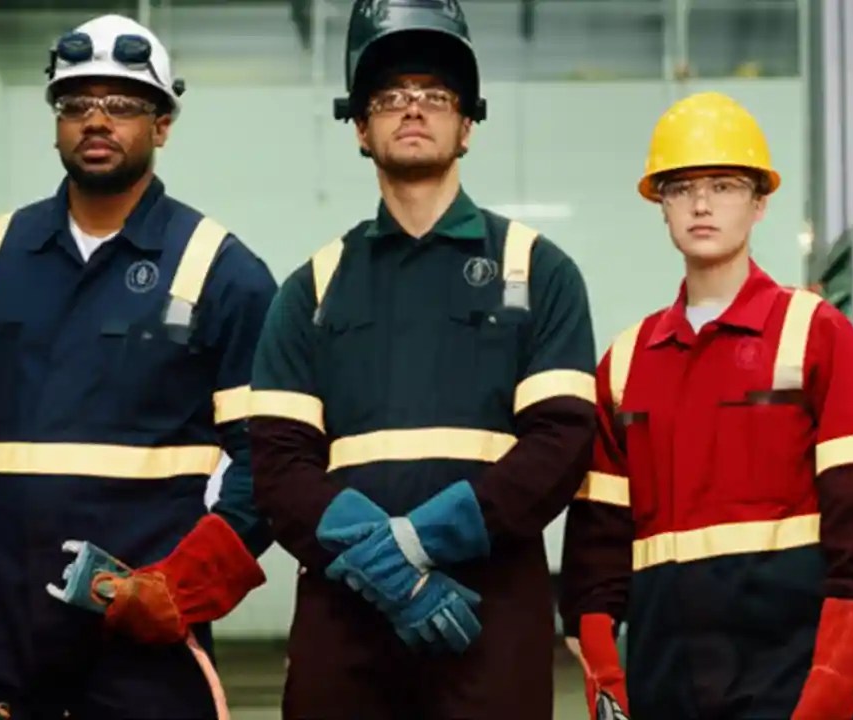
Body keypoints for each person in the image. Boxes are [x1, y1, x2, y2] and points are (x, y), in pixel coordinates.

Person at [0, 13, 275, 718]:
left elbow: (268, 461)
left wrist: (179, 589)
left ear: (162, 126)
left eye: (122, 105)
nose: (96, 121)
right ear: (57, 122)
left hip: (140, 629)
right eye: (76, 105)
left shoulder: (222, 272)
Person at [247, 0, 598, 717]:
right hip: (343, 628)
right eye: (391, 97)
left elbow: (560, 444)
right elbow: (280, 467)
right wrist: (387, 569)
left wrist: (417, 539)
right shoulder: (311, 287)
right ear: (360, 128)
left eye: (435, 96)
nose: (413, 110)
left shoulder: (537, 271)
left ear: (468, 125)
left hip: (488, 620)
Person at [558, 90, 853, 720]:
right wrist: (608, 683)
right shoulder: (627, 362)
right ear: (660, 205)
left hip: (793, 691)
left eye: (723, 185)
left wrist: (831, 693)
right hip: (665, 691)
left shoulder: (815, 333)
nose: (701, 204)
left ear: (759, 200)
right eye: (680, 187)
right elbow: (595, 557)